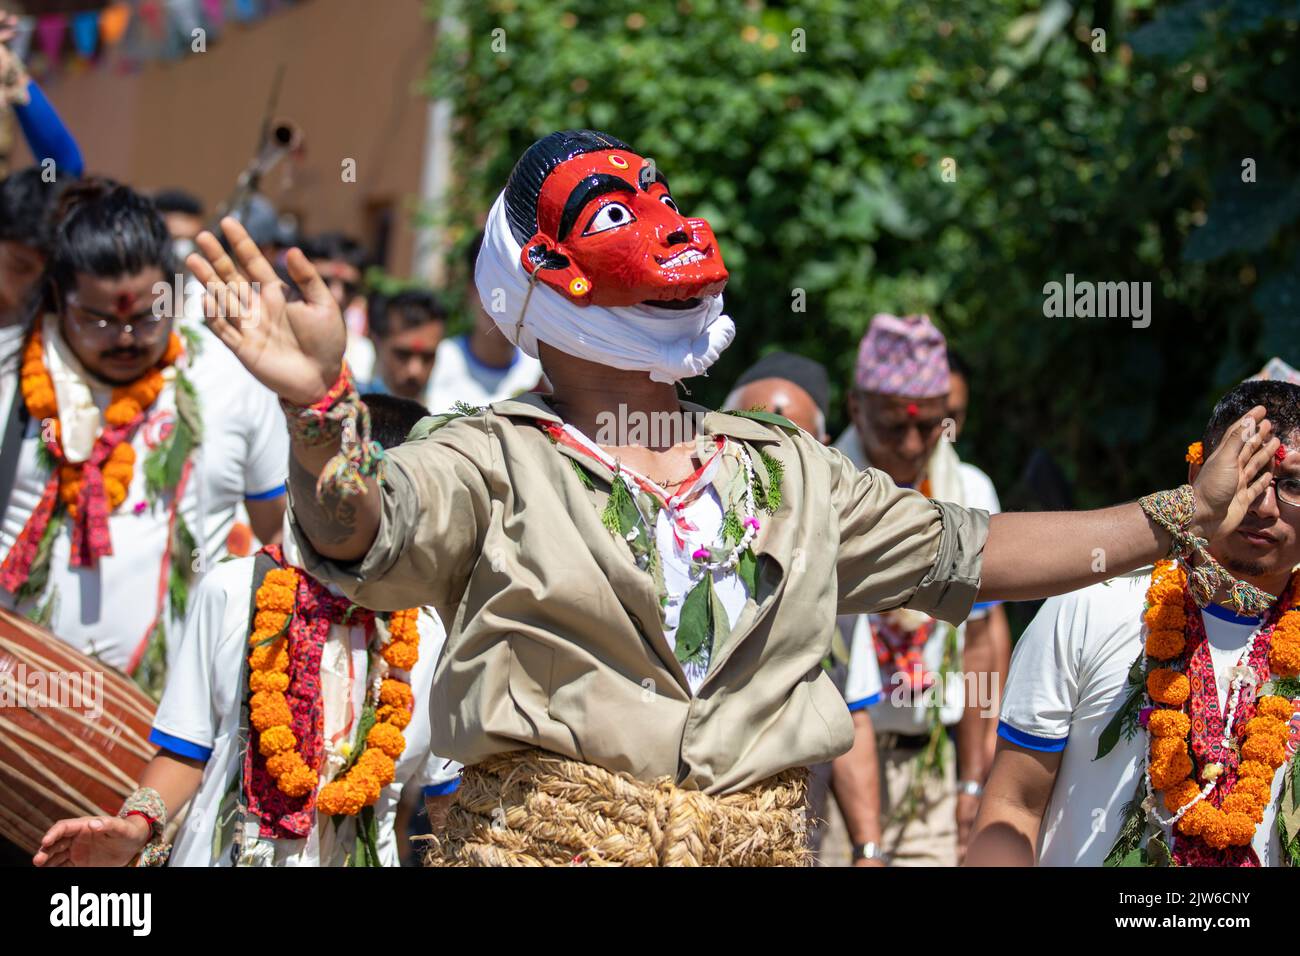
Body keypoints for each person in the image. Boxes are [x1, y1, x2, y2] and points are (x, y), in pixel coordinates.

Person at [184, 128, 1277, 866]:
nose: (662, 223)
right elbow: (355, 529)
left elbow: (972, 554)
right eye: (615, 210)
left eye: (657, 197)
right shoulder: (491, 456)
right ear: (539, 272)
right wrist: (321, 405)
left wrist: (1183, 510)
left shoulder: (784, 465)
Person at [32, 393, 460, 867]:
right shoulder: (233, 591)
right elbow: (185, 750)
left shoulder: (431, 633)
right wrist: (136, 827)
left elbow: (446, 800)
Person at [969, 380, 1300, 868]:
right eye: (1245, 473)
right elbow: (1014, 805)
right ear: (1197, 474)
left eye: (1292, 484)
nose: (1263, 506)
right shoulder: (1088, 606)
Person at [0, 179, 288, 696]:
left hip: (181, 730)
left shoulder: (232, 376)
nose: (127, 338)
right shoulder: (9, 376)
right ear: (57, 301)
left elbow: (285, 541)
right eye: (101, 319)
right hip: (17, 726)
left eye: (147, 317)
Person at [830, 314, 1014, 865]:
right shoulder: (821, 488)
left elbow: (983, 642)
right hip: (827, 770)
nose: (912, 445)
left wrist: (974, 783)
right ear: (854, 406)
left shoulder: (970, 491)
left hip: (931, 767)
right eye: (891, 427)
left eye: (931, 426)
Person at [725, 351, 886, 867]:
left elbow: (853, 713)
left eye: (793, 445)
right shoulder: (677, 549)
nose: (772, 461)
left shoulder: (836, 578)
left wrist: (867, 848)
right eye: (754, 438)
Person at [944, 348, 1013, 771]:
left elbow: (988, 622)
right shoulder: (858, 478)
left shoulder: (972, 489)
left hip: (949, 721)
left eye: (957, 414)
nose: (946, 428)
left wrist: (991, 730)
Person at [424, 229, 542, 412]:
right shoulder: (433, 363)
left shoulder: (545, 374)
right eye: (492, 286)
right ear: (470, 289)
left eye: (514, 287)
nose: (500, 304)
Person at [361, 288, 448, 401]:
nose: (415, 370)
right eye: (403, 355)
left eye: (427, 357)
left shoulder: (449, 411)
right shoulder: (349, 409)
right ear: (376, 344)